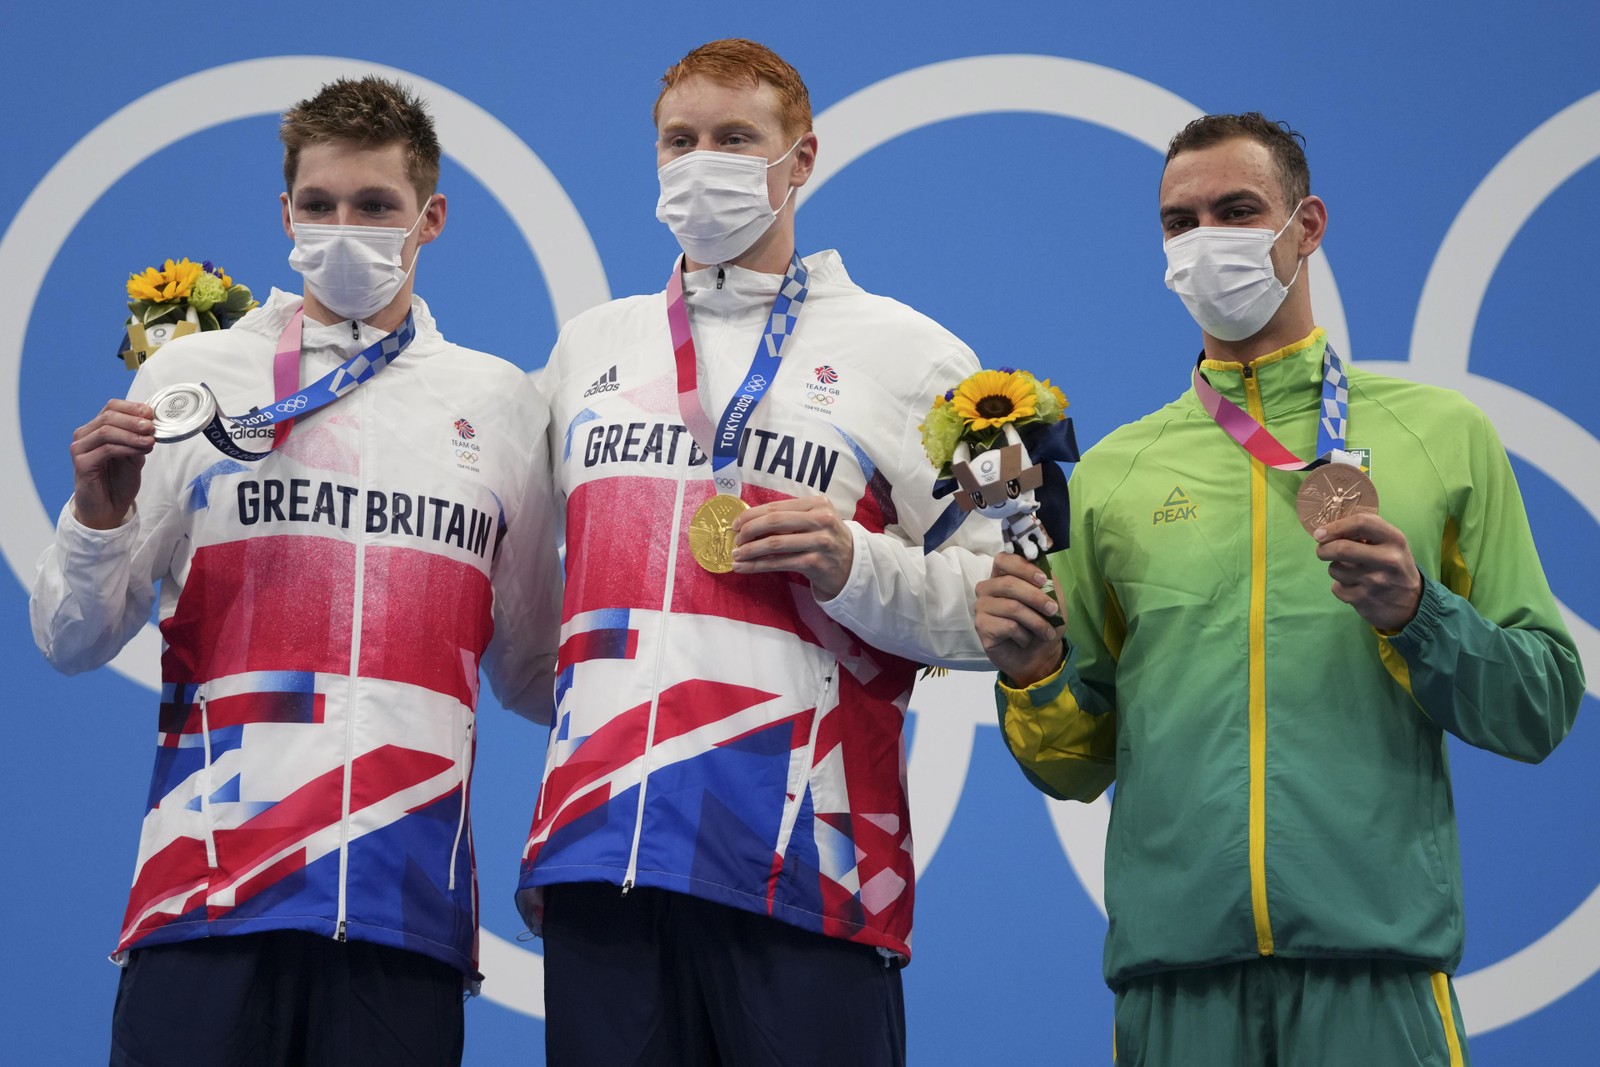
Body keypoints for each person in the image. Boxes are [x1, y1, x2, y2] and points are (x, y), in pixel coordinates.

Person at [976, 112, 1584, 1066]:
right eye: (1181, 221)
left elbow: (1541, 704)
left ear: (1307, 227)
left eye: (1238, 209)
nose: (1206, 239)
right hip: (1176, 978)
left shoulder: (1444, 435)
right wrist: (1034, 675)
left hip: (1376, 968)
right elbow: (1076, 762)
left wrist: (1420, 615)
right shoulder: (1114, 475)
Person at [30, 76, 561, 1067]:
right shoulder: (194, 382)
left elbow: (533, 665)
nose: (342, 228)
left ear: (431, 217)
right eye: (319, 205)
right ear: (284, 213)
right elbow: (71, 636)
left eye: (375, 206)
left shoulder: (498, 404)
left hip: (403, 906)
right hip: (205, 891)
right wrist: (98, 513)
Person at [518, 38, 999, 1066]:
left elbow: (1004, 606)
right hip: (603, 847)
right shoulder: (588, 350)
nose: (702, 162)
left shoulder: (910, 355)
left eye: (736, 138)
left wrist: (852, 566)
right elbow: (522, 617)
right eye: (678, 140)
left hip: (804, 855)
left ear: (802, 158)